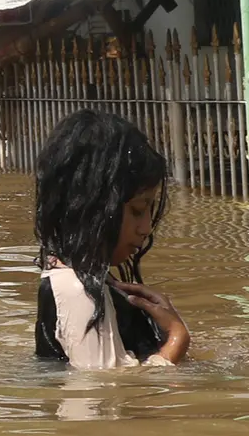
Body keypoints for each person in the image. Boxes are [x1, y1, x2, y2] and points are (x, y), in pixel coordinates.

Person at [34, 109, 189, 367]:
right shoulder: (78, 291)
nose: (146, 228)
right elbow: (104, 390)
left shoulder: (90, 280)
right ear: (91, 208)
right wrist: (176, 339)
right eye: (138, 210)